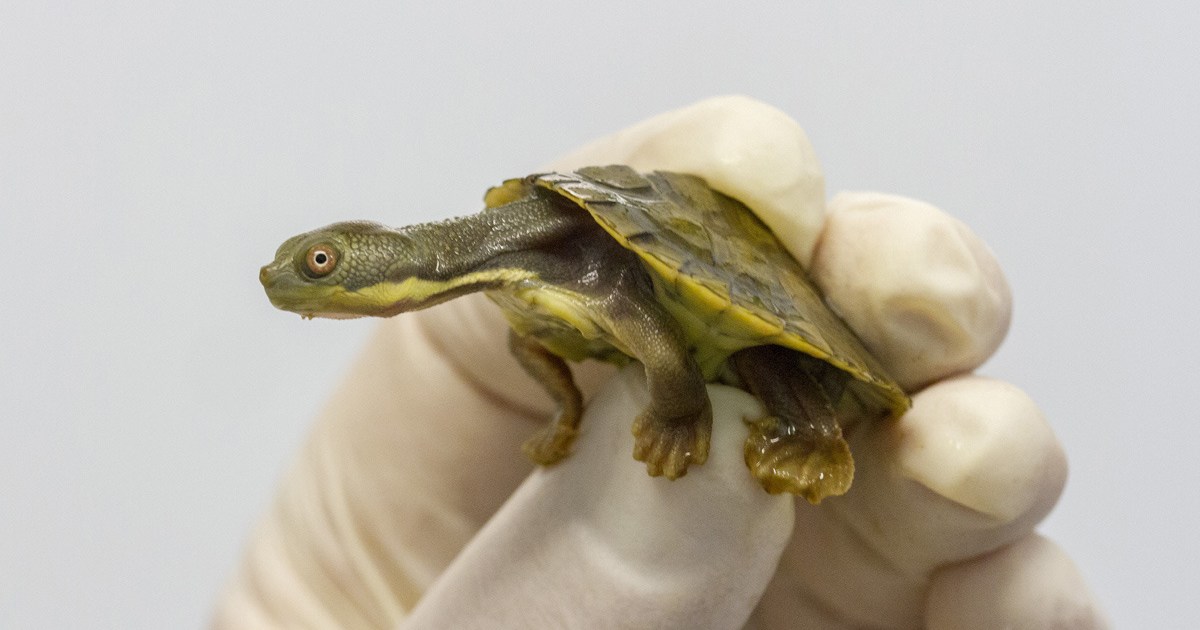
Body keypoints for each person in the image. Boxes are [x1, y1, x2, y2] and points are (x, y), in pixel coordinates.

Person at [213, 96, 1106, 629]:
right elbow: (536, 339)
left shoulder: (547, 254)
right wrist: (566, 410)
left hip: (727, 311)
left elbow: (643, 324)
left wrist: (678, 410)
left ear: (382, 254)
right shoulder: (510, 284)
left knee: (765, 365)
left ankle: (813, 430)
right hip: (628, 305)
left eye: (320, 267)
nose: (298, 283)